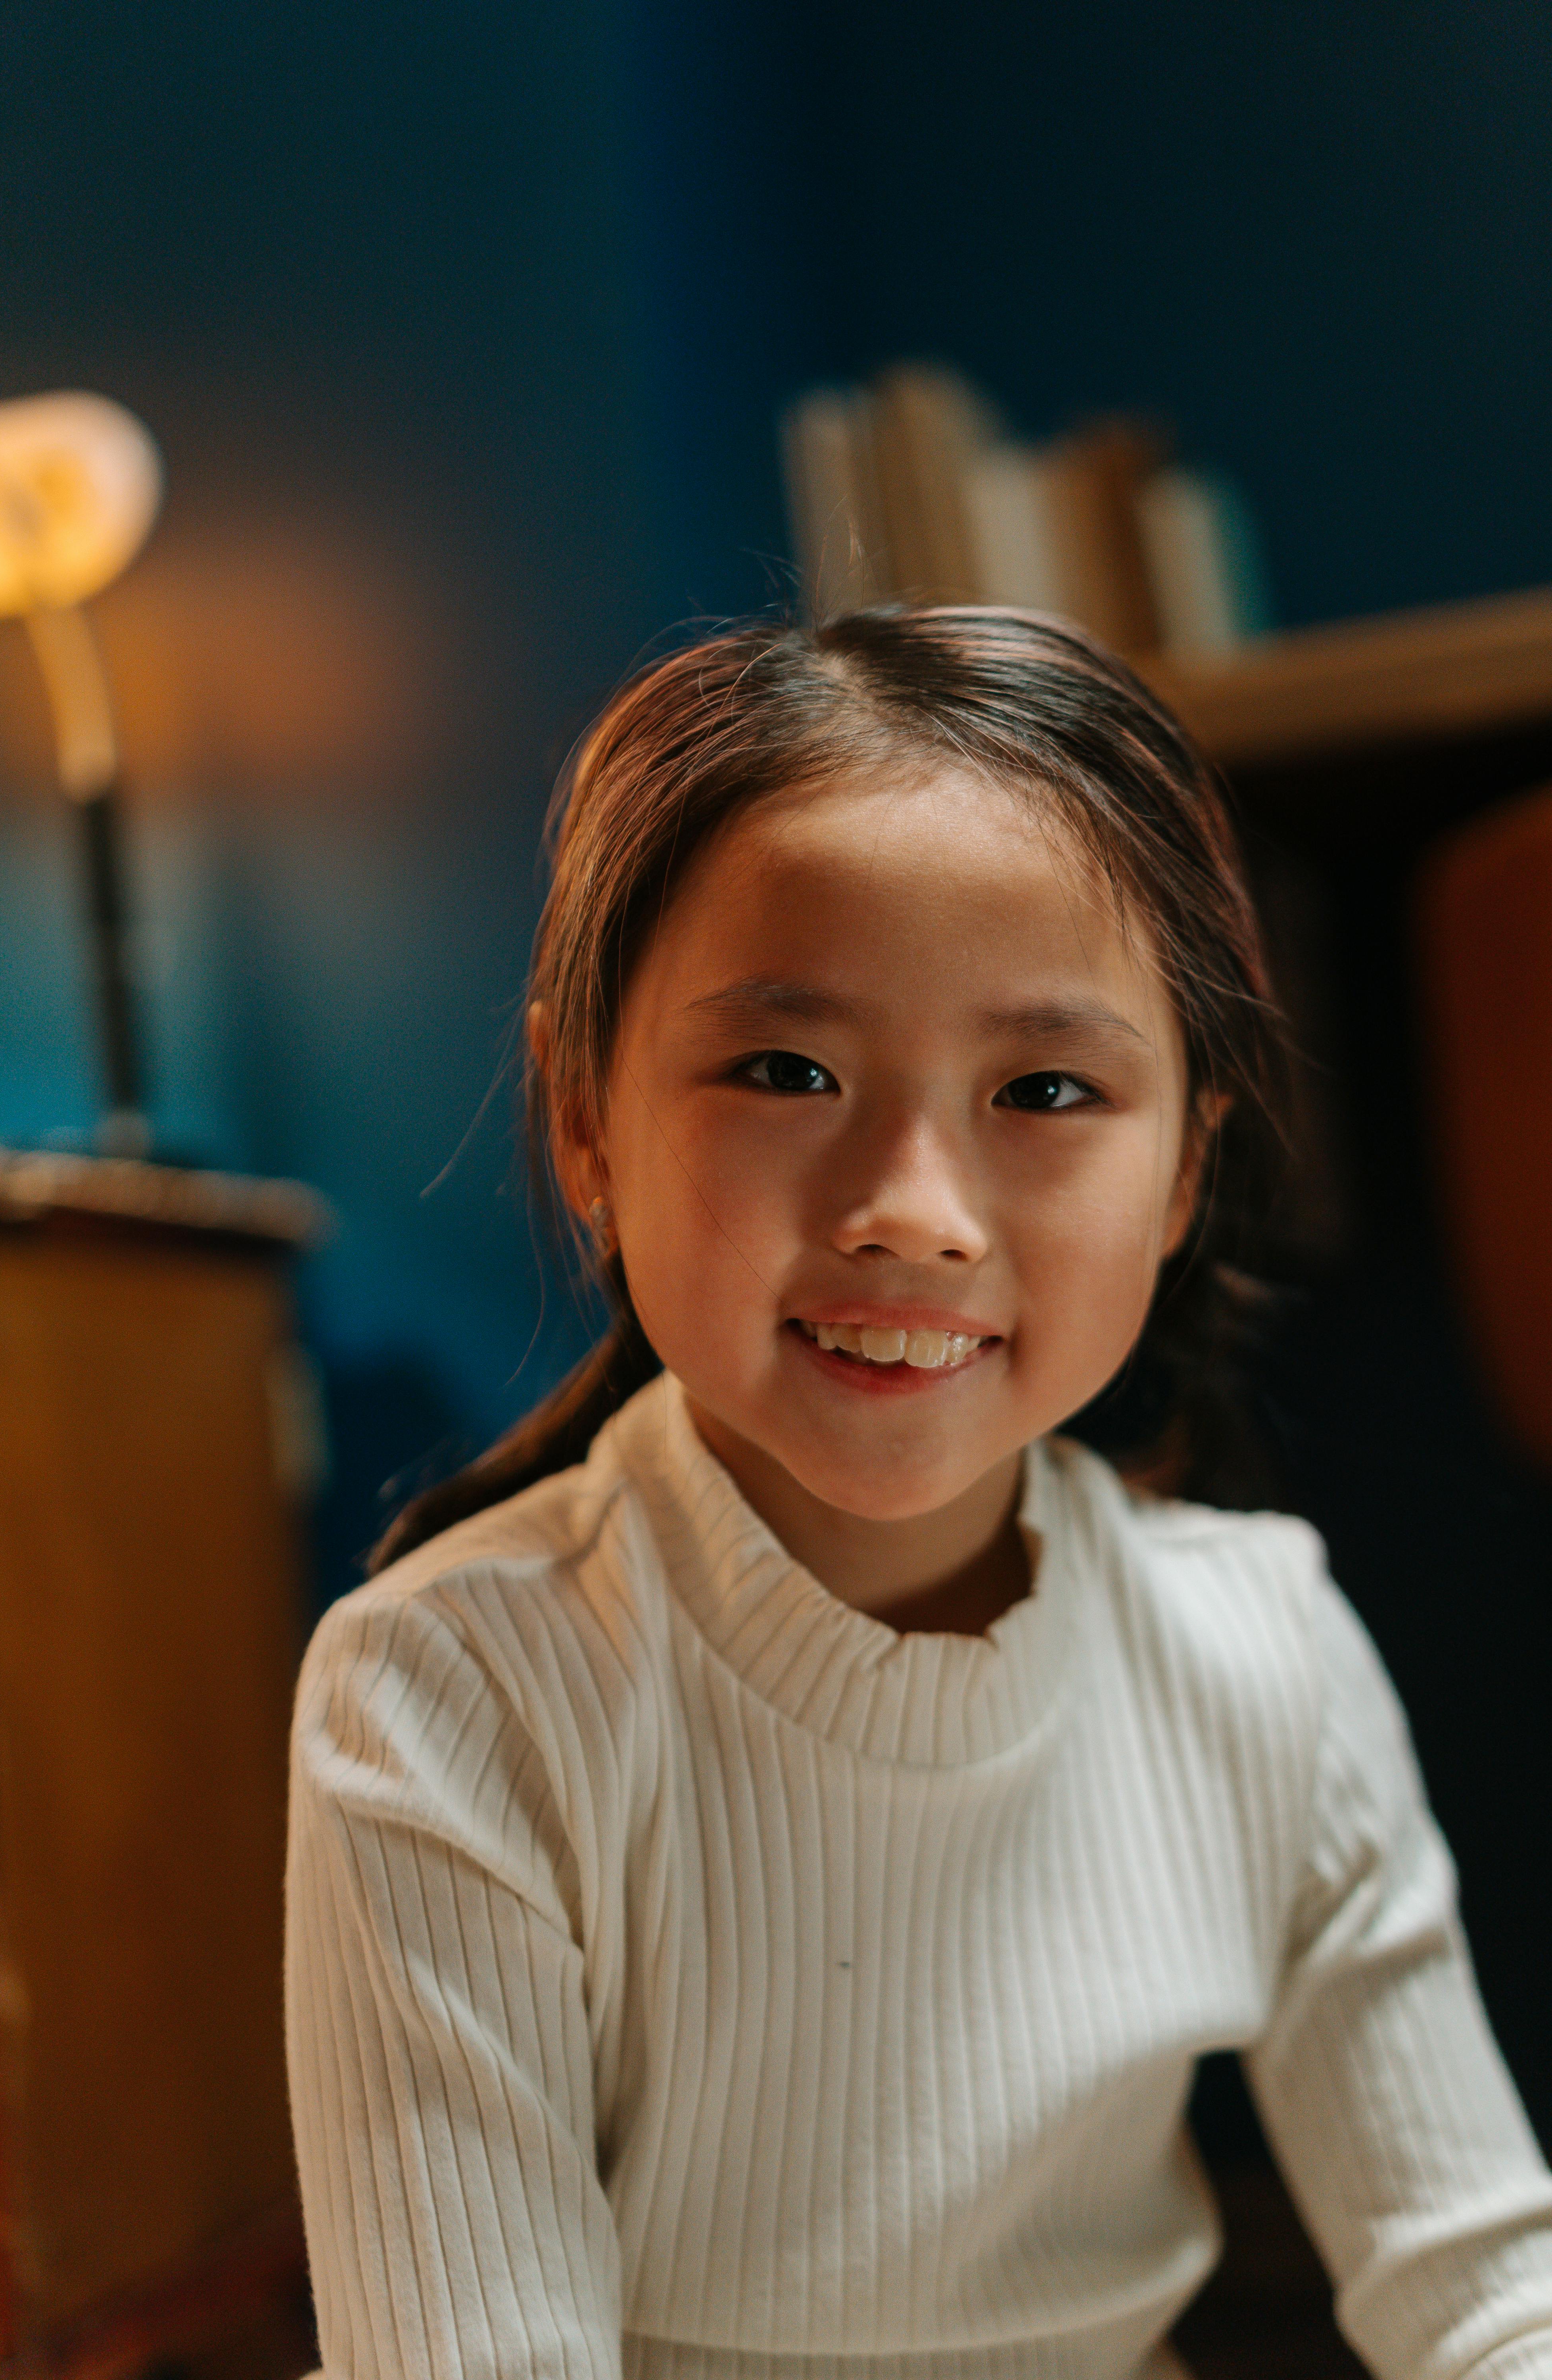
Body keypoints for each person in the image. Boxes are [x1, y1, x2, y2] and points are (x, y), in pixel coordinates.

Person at [284, 608, 1552, 2380]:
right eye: (786, 1071)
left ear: (1184, 1172)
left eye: (1045, 1089)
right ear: (586, 1114)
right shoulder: (447, 1692)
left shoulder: (1262, 1647)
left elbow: (1485, 2288)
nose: (915, 1208)